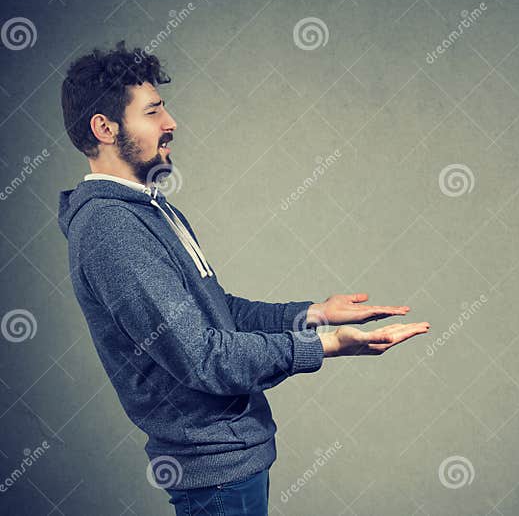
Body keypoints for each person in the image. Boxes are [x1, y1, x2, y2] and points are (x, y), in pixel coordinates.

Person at [57, 41, 431, 515]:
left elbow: (220, 313)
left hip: (236, 462)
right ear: (105, 127)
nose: (170, 123)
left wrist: (313, 315)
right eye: (152, 112)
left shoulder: (150, 210)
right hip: (214, 476)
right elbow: (204, 358)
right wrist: (330, 345)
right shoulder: (112, 229)